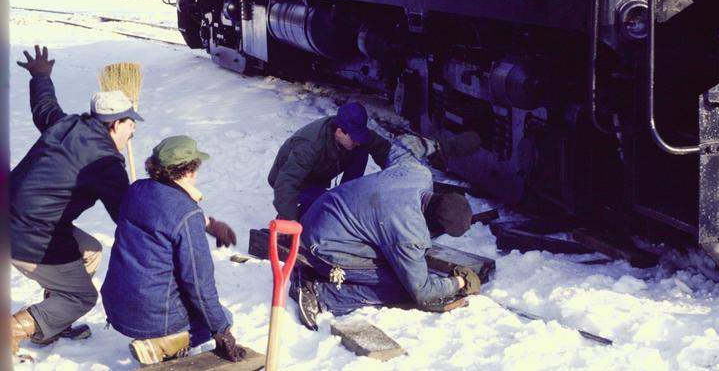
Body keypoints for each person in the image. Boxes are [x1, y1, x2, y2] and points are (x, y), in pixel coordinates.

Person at [10, 45, 143, 355]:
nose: (133, 129)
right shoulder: (106, 163)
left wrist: (40, 75)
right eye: (130, 123)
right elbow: (126, 217)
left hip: (20, 219)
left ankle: (51, 321)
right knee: (82, 297)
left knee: (91, 250)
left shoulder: (67, 124)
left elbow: (44, 107)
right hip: (28, 236)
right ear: (115, 124)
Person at [291, 133, 483, 329]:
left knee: (399, 266)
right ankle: (321, 294)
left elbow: (403, 144)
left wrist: (439, 146)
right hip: (320, 245)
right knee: (401, 286)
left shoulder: (418, 174)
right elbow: (422, 292)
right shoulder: (408, 232)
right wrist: (460, 282)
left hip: (317, 212)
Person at [101, 135, 245, 366]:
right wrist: (222, 331)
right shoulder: (187, 214)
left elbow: (161, 212)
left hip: (117, 305)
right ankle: (161, 345)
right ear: (189, 170)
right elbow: (199, 284)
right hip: (151, 314)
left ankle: (161, 338)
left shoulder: (137, 189)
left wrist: (208, 223)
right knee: (225, 316)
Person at [268, 102, 392, 220]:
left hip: (317, 172)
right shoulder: (310, 145)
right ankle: (296, 218)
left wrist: (395, 175)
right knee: (322, 201)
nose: (357, 141)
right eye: (354, 138)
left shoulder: (352, 129)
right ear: (339, 132)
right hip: (287, 179)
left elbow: (383, 148)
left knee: (361, 150)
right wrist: (289, 219)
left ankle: (346, 198)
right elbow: (287, 181)